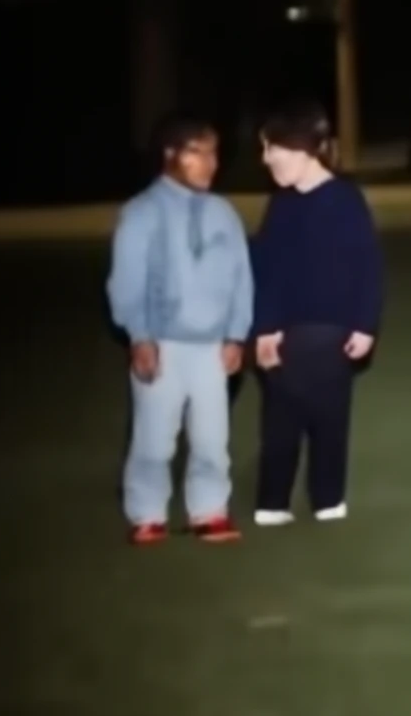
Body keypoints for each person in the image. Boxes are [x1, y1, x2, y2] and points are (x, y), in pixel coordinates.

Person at [107, 115, 253, 545]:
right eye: (197, 152)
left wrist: (235, 334)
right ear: (170, 156)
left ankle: (209, 511)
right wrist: (140, 336)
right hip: (163, 344)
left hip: (212, 346)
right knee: (154, 436)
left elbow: (241, 277)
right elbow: (127, 279)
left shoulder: (223, 212)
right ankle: (147, 513)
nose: (210, 163)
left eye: (213, 153)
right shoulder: (141, 212)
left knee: (212, 437)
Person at [251, 103, 384, 525]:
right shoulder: (281, 204)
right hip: (286, 329)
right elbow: (266, 269)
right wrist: (265, 328)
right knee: (280, 419)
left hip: (331, 329)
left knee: (329, 416)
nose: (266, 159)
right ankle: (273, 501)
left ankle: (327, 497)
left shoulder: (346, 200)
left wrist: (365, 324)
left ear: (304, 149)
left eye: (273, 149)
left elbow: (368, 266)